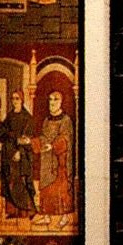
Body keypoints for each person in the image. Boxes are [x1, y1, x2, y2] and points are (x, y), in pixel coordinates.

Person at [0, 89, 37, 218]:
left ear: (22, 100)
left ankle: (29, 209)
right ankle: (13, 211)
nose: (14, 101)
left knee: (19, 182)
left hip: (20, 154)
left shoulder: (27, 118)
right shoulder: (9, 116)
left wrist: (19, 151)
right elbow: (1, 134)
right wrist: (0, 124)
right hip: (8, 154)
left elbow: (26, 139)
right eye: (13, 98)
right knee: (9, 181)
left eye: (17, 98)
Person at [37, 89, 75, 224]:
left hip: (60, 160)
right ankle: (46, 216)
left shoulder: (66, 120)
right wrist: (35, 142)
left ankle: (64, 216)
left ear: (61, 102)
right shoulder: (46, 120)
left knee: (61, 188)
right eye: (50, 99)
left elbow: (65, 138)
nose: (52, 102)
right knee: (46, 188)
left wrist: (53, 146)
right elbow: (43, 136)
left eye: (55, 99)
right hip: (47, 159)